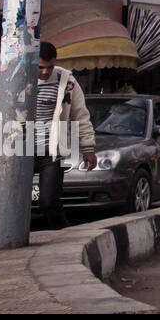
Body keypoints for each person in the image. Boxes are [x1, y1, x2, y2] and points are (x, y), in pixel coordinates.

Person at [34, 41, 96, 229]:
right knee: (12, 200)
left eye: (49, 67)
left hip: (53, 149)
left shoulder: (66, 81)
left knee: (48, 200)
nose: (45, 72)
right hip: (21, 148)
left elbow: (81, 114)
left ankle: (62, 232)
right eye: (40, 67)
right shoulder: (19, 78)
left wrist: (88, 147)